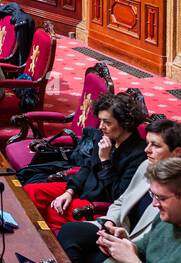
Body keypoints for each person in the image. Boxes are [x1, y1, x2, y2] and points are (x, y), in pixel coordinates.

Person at [58, 118, 181, 263]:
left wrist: (127, 245)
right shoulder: (148, 165)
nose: (147, 150)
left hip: (139, 251)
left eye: (155, 145)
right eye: (147, 143)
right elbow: (122, 200)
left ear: (177, 152)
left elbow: (169, 246)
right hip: (121, 231)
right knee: (69, 231)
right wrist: (110, 223)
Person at [23, 89, 148, 232]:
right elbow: (87, 167)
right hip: (86, 188)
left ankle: (47, 244)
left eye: (107, 122)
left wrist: (105, 161)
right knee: (31, 192)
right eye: (100, 120)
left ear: (125, 123)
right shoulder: (106, 137)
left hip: (101, 200)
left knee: (56, 210)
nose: (101, 127)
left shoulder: (138, 154)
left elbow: (119, 195)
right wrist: (70, 191)